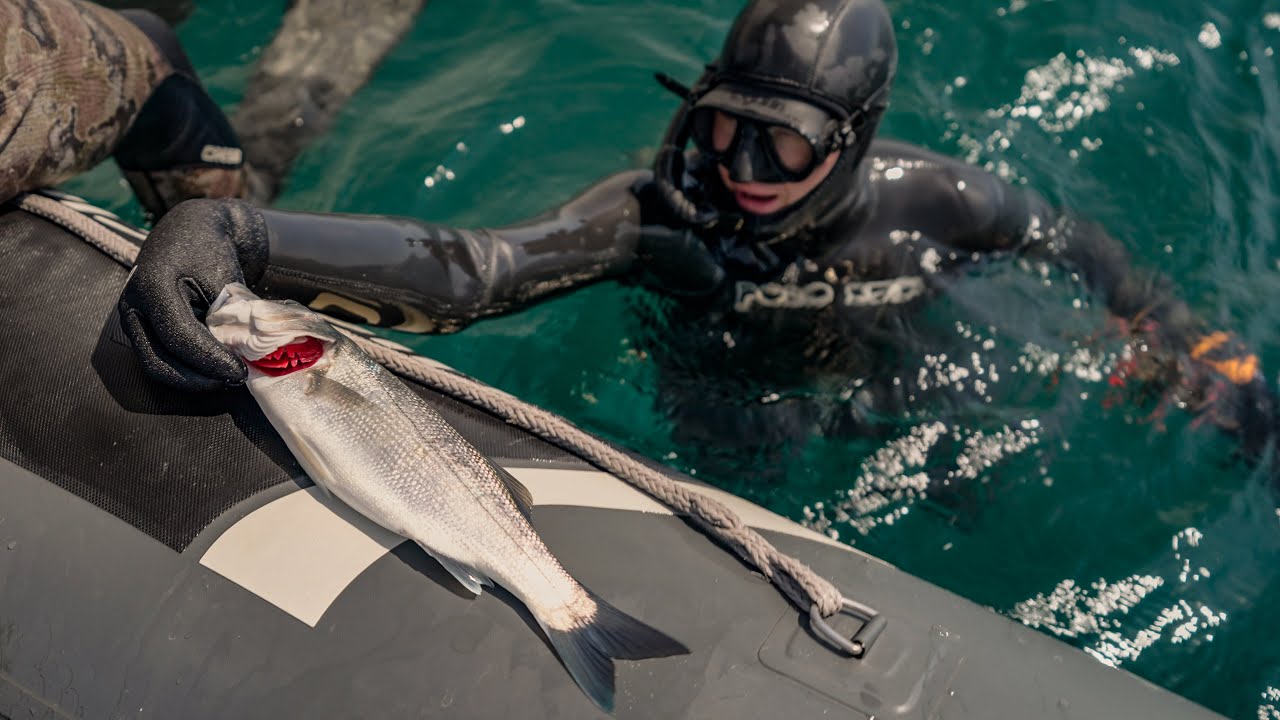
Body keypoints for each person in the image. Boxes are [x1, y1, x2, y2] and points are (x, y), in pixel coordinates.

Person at [5, 0, 1271, 465]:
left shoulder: (942, 199)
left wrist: (1178, 338)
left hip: (897, 368)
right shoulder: (656, 211)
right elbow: (474, 268)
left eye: (785, 145)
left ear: (858, 141)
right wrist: (245, 233)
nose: (742, 169)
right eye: (726, 127)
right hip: (719, 393)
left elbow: (1079, 246)